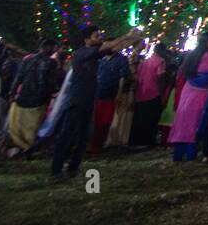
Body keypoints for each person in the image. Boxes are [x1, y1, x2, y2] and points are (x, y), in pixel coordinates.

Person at [49, 25, 140, 182]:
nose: (100, 38)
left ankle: (73, 168)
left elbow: (114, 46)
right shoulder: (81, 53)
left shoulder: (94, 54)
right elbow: (110, 45)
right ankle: (55, 171)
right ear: (87, 40)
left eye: (100, 35)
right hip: (76, 100)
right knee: (67, 135)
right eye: (96, 36)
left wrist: (131, 38)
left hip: (88, 100)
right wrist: (127, 35)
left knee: (83, 137)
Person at [168, 32, 208, 162]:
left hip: (187, 91)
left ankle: (178, 155)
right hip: (201, 94)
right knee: (195, 123)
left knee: (182, 122)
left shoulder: (192, 55)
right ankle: (191, 154)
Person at [7, 38, 60, 156]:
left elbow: (18, 78)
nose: (54, 50)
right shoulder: (51, 62)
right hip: (39, 99)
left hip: (23, 97)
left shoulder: (27, 60)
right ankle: (30, 148)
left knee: (20, 125)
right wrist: (53, 94)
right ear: (48, 47)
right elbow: (51, 82)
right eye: (53, 47)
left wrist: (12, 94)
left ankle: (21, 146)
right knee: (34, 126)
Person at [88, 46, 130, 154]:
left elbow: (122, 77)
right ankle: (94, 144)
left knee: (106, 120)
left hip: (111, 94)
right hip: (98, 93)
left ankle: (101, 143)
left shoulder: (121, 59)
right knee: (96, 120)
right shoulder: (101, 59)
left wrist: (119, 93)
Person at [129, 44, 169, 148]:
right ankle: (148, 142)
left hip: (141, 94)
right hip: (153, 93)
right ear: (162, 51)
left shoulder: (145, 62)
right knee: (151, 119)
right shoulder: (160, 61)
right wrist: (161, 93)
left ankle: (136, 142)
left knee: (139, 119)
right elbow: (160, 77)